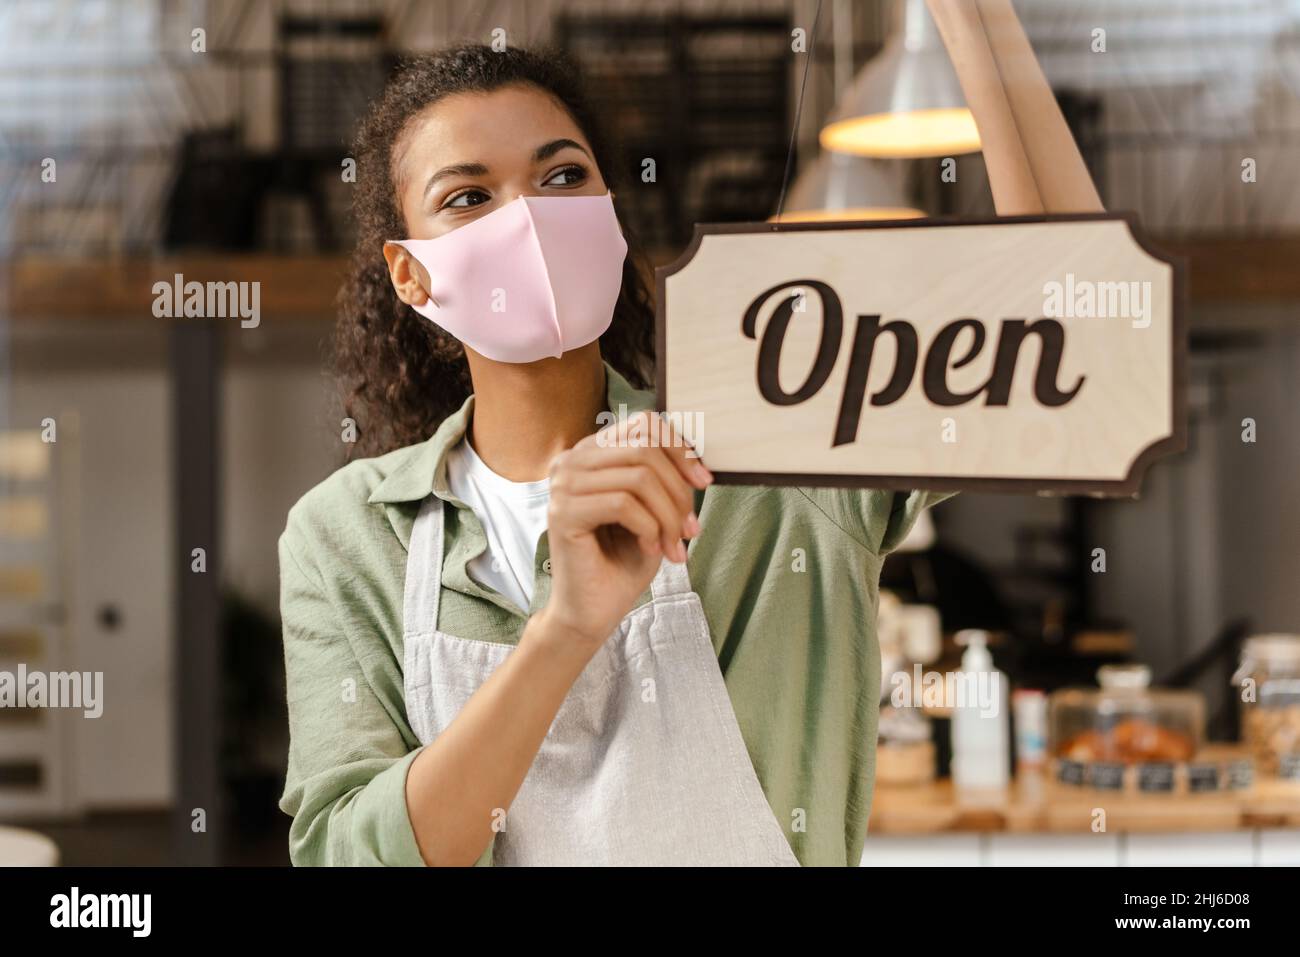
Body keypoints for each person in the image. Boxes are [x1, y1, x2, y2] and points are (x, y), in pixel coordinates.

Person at [278, 43, 948, 867]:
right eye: (468, 195)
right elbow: (348, 857)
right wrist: (565, 630)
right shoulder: (345, 535)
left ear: (611, 211)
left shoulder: (775, 456)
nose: (525, 214)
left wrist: (976, 26)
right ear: (412, 276)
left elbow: (1086, 335)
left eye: (562, 177)